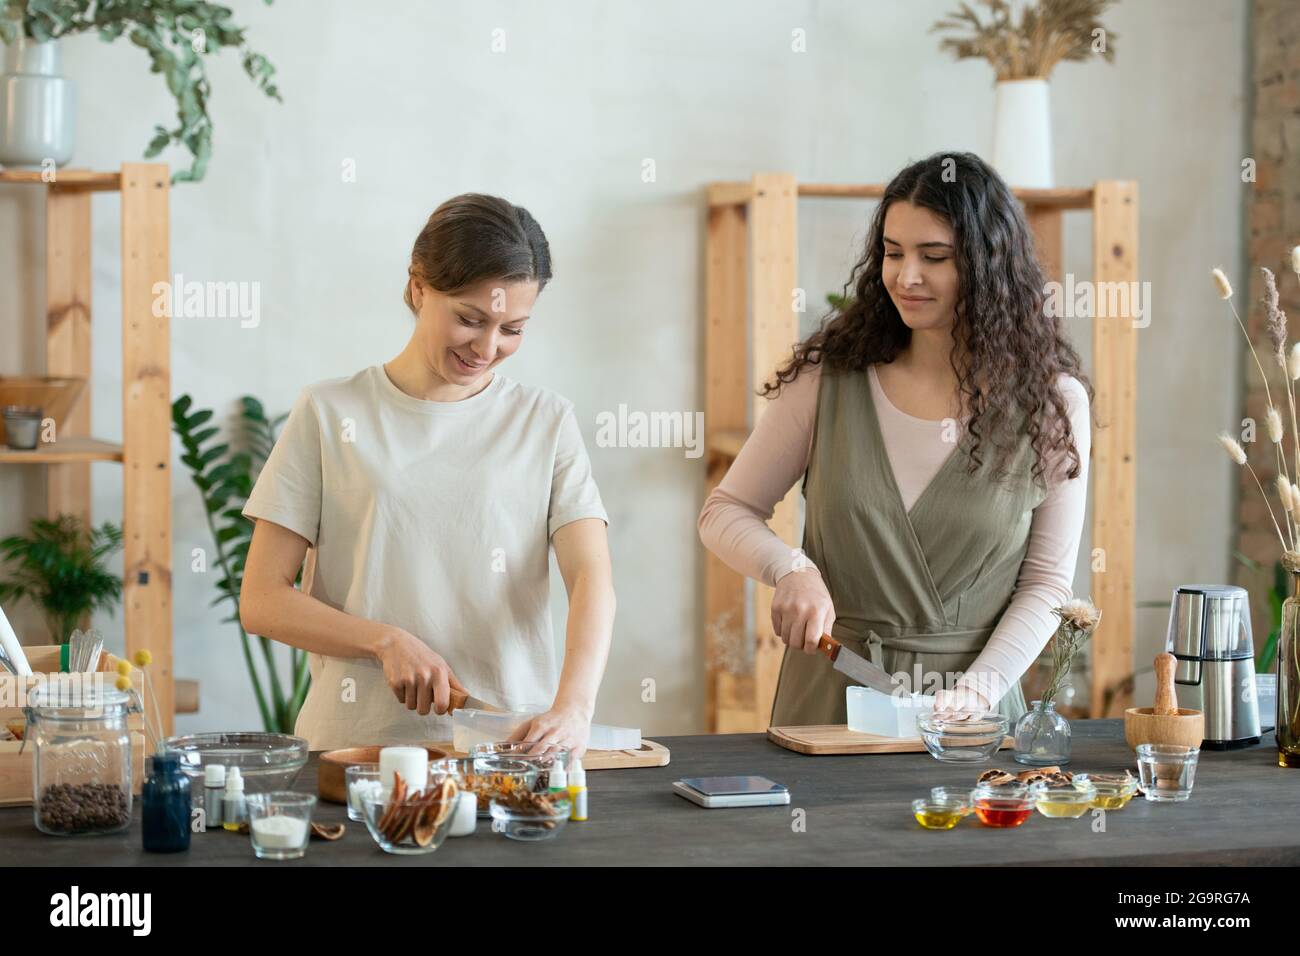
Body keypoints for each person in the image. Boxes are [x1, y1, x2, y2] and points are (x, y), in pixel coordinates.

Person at [698, 152, 1092, 726]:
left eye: (934, 257)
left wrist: (977, 694)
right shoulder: (826, 382)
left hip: (971, 717)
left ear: (989, 266)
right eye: (892, 252)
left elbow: (1047, 583)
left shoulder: (1051, 404)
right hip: (831, 700)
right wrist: (790, 567)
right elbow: (724, 510)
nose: (906, 276)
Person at [239, 193, 615, 755]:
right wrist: (384, 641)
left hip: (508, 750)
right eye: (470, 319)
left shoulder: (546, 421)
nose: (488, 347)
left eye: (512, 328)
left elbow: (591, 578)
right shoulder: (329, 413)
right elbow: (262, 598)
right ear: (418, 286)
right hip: (356, 752)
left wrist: (572, 709)